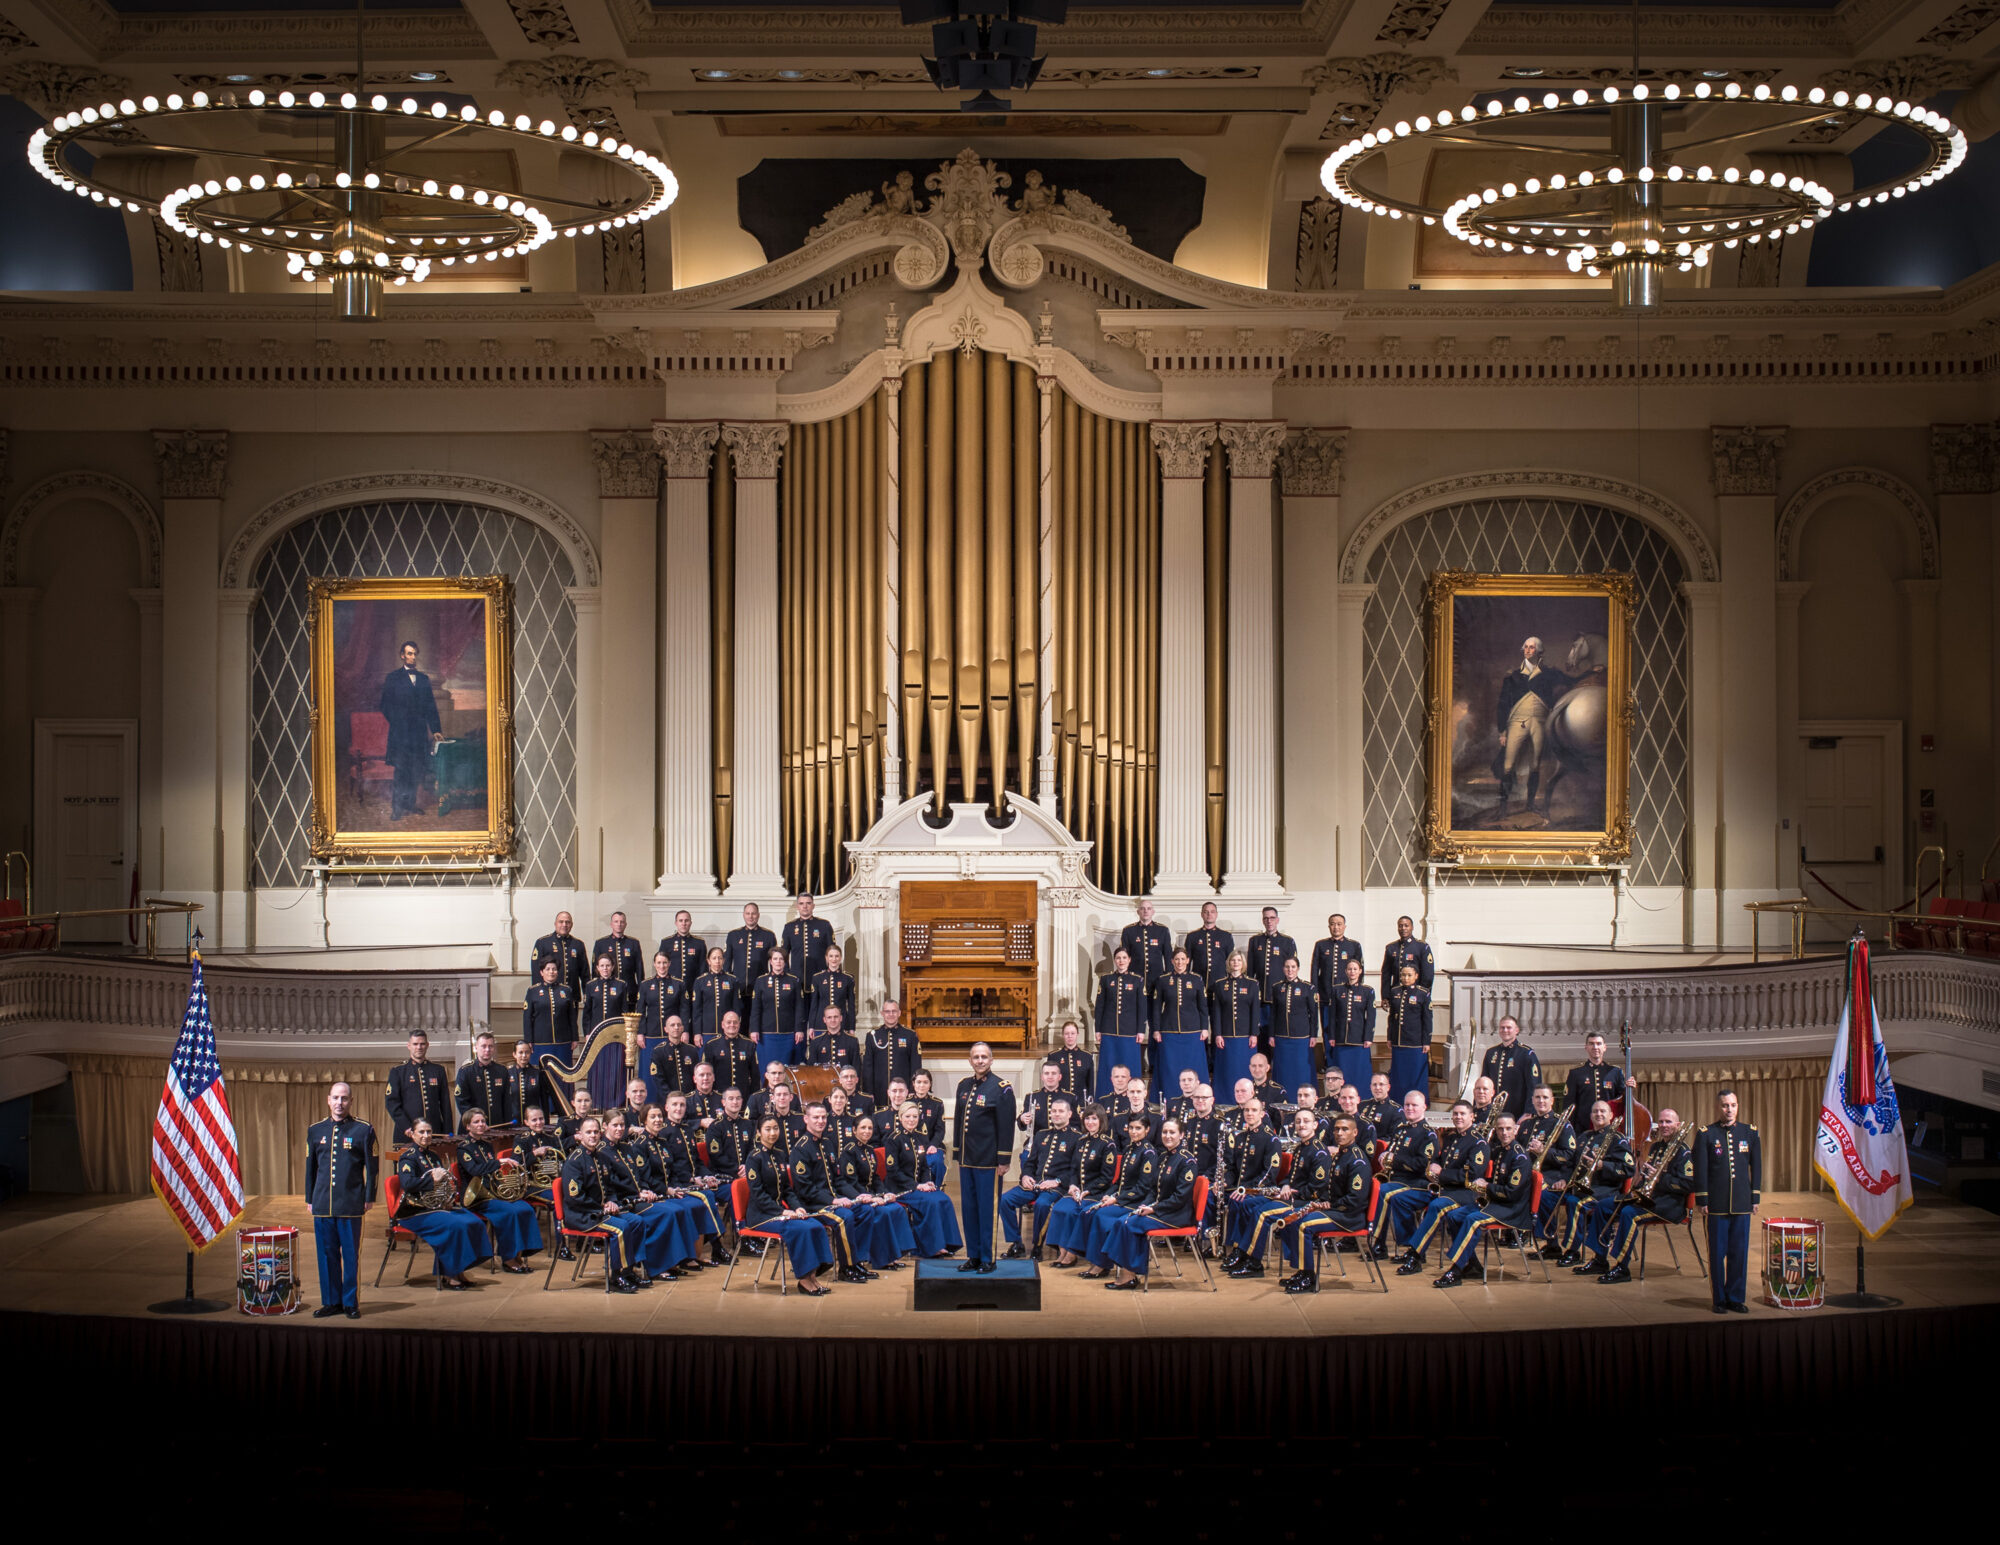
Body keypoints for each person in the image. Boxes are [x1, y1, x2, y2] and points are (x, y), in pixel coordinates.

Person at [1083, 1116, 1196, 1290]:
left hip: (1176, 1214)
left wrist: (1153, 1208)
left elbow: (1180, 1197)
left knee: (1127, 1223)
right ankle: (1125, 1273)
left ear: (1181, 1135)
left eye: (1172, 1132)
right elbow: (1153, 1190)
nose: (1167, 1136)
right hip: (1159, 1209)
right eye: (1165, 1132)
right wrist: (1147, 1205)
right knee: (1124, 1221)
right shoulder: (1165, 1156)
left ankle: (1128, 1276)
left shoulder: (1187, 1160)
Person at [1426, 1111, 1532, 1288]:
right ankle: (1471, 1264)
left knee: (1472, 1220)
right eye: (1500, 1129)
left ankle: (1456, 1270)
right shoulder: (1499, 1151)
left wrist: (1487, 1187)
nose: (1504, 1133)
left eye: (1508, 1129)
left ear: (1516, 1130)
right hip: (1496, 1202)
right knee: (1454, 1215)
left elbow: (1512, 1193)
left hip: (1512, 1209)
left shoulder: (1520, 1157)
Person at [1597, 1106, 1695, 1285]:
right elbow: (1647, 1177)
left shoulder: (1684, 1152)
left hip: (1669, 1205)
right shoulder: (1657, 1147)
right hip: (1650, 1199)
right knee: (1603, 1205)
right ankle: (1599, 1259)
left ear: (1678, 1125)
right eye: (1662, 1122)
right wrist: (1642, 1182)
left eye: (1669, 1122)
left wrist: (1660, 1178)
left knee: (1629, 1214)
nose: (1664, 1125)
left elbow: (1687, 1184)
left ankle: (1621, 1267)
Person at [1393, 1098, 1490, 1277]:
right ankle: (1471, 1263)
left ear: (1472, 1117)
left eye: (1463, 1114)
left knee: (1437, 1206)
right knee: (1400, 1198)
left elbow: (1472, 1176)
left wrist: (1442, 1173)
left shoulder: (1479, 1143)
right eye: (1455, 1114)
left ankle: (1415, 1255)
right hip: (1443, 1189)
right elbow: (1439, 1160)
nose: (1458, 1117)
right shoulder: (1451, 1137)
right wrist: (1432, 1167)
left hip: (1465, 1193)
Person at [1278, 1114, 1375, 1293]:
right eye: (1336, 1129)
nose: (1339, 1133)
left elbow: (1356, 1199)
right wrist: (1322, 1202)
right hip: (1336, 1210)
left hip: (1349, 1216)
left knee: (1304, 1225)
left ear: (1355, 1133)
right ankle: (1301, 1270)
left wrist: (1330, 1205)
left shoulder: (1357, 1160)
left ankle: (1308, 1276)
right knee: (1291, 1218)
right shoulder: (1340, 1155)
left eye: (1345, 1129)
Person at [306, 1081, 377, 1319]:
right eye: (335, 1098)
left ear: (351, 1101)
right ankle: (331, 1302)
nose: (339, 1103)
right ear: (328, 1100)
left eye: (344, 1098)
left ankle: (350, 1303)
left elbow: (372, 1167)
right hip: (323, 1203)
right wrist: (309, 1198)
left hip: (351, 1203)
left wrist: (369, 1197)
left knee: (349, 1255)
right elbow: (310, 1169)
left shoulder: (363, 1129)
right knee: (327, 1256)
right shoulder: (315, 1130)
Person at [742, 1115, 835, 1295]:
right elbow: (758, 1194)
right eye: (767, 1129)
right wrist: (782, 1211)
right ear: (759, 1132)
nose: (772, 1133)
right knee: (799, 1229)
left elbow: (786, 1189)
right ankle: (804, 1279)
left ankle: (813, 1275)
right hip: (762, 1215)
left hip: (781, 1212)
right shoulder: (754, 1158)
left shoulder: (779, 1154)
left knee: (814, 1224)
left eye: (775, 1128)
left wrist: (797, 1207)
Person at [393, 1119, 492, 1289]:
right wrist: (432, 1179)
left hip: (435, 1207)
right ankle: (451, 1274)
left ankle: (460, 1270)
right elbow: (408, 1184)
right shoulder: (408, 1157)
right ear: (412, 1134)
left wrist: (448, 1199)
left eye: (429, 1132)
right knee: (455, 1226)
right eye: (421, 1132)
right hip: (414, 1211)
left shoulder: (433, 1156)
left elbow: (445, 1183)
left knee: (474, 1221)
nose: (426, 1136)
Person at [560, 1115, 649, 1295]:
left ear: (600, 1133)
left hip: (601, 1210)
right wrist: (600, 1208)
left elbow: (608, 1187)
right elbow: (574, 1198)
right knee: (621, 1227)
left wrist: (611, 1201)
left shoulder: (601, 1157)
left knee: (637, 1221)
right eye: (588, 1132)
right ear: (580, 1135)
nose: (593, 1135)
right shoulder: (574, 1162)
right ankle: (617, 1276)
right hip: (583, 1215)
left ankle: (629, 1270)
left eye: (595, 1132)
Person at [1232, 1109, 1327, 1276]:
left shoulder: (1319, 1151)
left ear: (1315, 1125)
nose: (1301, 1125)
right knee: (1247, 1203)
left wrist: (1291, 1193)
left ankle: (1254, 1263)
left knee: (1262, 1213)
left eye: (1306, 1121)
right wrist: (1284, 1185)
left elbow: (1317, 1189)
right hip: (1289, 1196)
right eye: (1298, 1121)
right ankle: (1241, 1251)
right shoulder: (1300, 1148)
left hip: (1305, 1201)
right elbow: (1290, 1177)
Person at [1693, 1090, 1761, 1314]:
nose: (1729, 1109)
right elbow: (1700, 1170)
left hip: (1741, 1203)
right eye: (1724, 1105)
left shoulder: (1749, 1132)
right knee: (1717, 1253)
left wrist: (1755, 1197)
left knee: (1739, 1253)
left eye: (1732, 1105)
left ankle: (1736, 1297)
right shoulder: (1706, 1134)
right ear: (1718, 1107)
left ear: (1738, 1106)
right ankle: (1719, 1299)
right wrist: (1702, 1199)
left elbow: (1756, 1167)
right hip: (1716, 1205)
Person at [787, 1103, 871, 1283]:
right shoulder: (800, 1148)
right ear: (806, 1119)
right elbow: (805, 1189)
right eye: (816, 1117)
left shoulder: (827, 1143)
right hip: (813, 1204)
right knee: (844, 1217)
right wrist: (834, 1201)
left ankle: (858, 1261)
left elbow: (839, 1179)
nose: (820, 1121)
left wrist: (856, 1196)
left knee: (866, 1210)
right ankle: (846, 1268)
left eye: (823, 1117)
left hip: (833, 1199)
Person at [952, 1042, 1016, 1273]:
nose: (980, 1060)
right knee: (969, 1210)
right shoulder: (964, 1085)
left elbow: (1006, 1126)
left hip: (989, 1161)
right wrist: (957, 1152)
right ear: (970, 1060)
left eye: (984, 1057)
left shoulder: (1001, 1088)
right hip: (967, 1160)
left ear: (991, 1060)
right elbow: (959, 1121)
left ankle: (988, 1258)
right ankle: (974, 1256)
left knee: (987, 1211)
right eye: (976, 1057)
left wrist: (1004, 1159)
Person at [1548, 1100, 1633, 1270]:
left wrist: (1602, 1165)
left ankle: (1573, 1251)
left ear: (1611, 1115)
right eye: (1595, 1111)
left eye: (1603, 1111)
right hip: (1580, 1187)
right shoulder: (1584, 1137)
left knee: (1574, 1202)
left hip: (1604, 1190)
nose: (1598, 1114)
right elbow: (1570, 1164)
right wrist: (1564, 1178)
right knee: (1547, 1196)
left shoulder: (1618, 1139)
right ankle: (1550, 1244)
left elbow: (1628, 1169)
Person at [456, 1108, 541, 1273]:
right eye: (476, 1122)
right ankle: (508, 1258)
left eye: (482, 1121)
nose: (481, 1125)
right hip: (475, 1198)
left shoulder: (487, 1145)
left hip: (492, 1192)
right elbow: (475, 1170)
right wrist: (499, 1162)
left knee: (525, 1208)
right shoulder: (463, 1148)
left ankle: (520, 1252)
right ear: (467, 1126)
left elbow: (492, 1172)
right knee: (509, 1212)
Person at [1496, 635, 1572, 815]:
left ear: (1539, 651)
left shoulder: (1549, 673)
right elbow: (1503, 704)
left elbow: (1570, 681)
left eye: (1532, 647)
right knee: (1508, 765)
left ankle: (1530, 804)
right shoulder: (1513, 676)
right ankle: (1502, 808)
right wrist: (1502, 731)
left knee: (1535, 764)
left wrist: (1593, 672)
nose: (1528, 650)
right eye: (1526, 647)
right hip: (1516, 722)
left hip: (1540, 722)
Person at [833, 1112, 919, 1269]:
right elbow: (850, 1181)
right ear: (854, 1130)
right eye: (863, 1128)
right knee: (884, 1213)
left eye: (870, 1128)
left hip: (872, 1196)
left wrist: (884, 1193)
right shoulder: (849, 1151)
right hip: (856, 1197)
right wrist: (873, 1197)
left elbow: (876, 1178)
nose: (867, 1131)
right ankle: (882, 1259)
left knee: (897, 1209)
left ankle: (896, 1253)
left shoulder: (870, 1150)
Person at [1002, 1095, 1081, 1259]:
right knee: (1005, 1200)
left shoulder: (1076, 1138)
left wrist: (1057, 1181)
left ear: (1069, 1114)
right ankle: (1016, 1243)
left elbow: (1076, 1170)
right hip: (1034, 1185)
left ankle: (1037, 1246)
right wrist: (1025, 1176)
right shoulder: (1041, 1135)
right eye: (1054, 1111)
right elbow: (1030, 1162)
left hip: (1057, 1187)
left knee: (1042, 1205)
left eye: (1061, 1111)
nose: (1057, 1114)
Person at [884, 1103, 964, 1258]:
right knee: (931, 1202)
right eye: (907, 1116)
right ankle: (931, 1246)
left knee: (943, 1198)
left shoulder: (921, 1137)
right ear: (900, 1118)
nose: (911, 1120)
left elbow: (925, 1167)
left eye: (915, 1116)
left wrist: (927, 1181)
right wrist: (917, 1185)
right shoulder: (892, 1140)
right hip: (901, 1188)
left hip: (919, 1187)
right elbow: (892, 1172)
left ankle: (948, 1243)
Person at [1044, 1106, 1119, 1268]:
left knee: (1074, 1212)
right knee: (1059, 1208)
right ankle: (1062, 1251)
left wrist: (1087, 1190)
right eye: (1087, 1118)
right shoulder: (1081, 1140)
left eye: (1094, 1119)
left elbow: (1106, 1178)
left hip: (1096, 1192)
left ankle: (1072, 1254)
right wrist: (1072, 1185)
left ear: (1101, 1121)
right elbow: (1073, 1169)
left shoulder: (1108, 1144)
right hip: (1077, 1191)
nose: (1090, 1122)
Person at [378, 639, 443, 819]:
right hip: (400, 735)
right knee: (401, 771)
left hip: (418, 734)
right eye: (409, 653)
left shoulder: (423, 679)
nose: (412, 657)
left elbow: (430, 706)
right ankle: (397, 809)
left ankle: (410, 805)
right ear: (402, 655)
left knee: (415, 771)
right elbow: (384, 705)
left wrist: (436, 729)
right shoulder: (392, 678)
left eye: (415, 654)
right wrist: (398, 721)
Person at [1370, 1092, 1440, 1257]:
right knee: (1375, 1187)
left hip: (1416, 1182)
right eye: (1407, 1105)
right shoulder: (1401, 1129)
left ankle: (1378, 1243)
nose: (1409, 1108)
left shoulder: (1428, 1134)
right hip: (1397, 1180)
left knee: (1384, 1192)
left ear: (1424, 1107)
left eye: (1414, 1105)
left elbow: (1422, 1165)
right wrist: (1384, 1155)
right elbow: (1392, 1152)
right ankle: (1393, 1243)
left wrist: (1395, 1160)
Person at [1218, 1097, 1283, 1274]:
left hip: (1263, 1191)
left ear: (1262, 1114)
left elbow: (1270, 1173)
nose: (1249, 1114)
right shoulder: (1240, 1137)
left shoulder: (1271, 1139)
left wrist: (1248, 1190)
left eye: (1254, 1110)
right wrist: (1225, 1182)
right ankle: (1233, 1248)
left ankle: (1244, 1252)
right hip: (1242, 1189)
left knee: (1243, 1202)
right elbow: (1232, 1169)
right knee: (1227, 1198)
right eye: (1247, 1110)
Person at [1151, 947, 1211, 1097]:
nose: (1180, 962)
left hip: (1192, 1032)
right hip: (1169, 1032)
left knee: (1194, 1066)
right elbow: (1156, 1007)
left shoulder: (1196, 979)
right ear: (1172, 961)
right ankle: (1169, 1097)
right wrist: (1156, 1029)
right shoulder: (1163, 980)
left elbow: (1203, 1006)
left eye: (1183, 959)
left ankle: (1198, 1096)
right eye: (1177, 959)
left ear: (1188, 961)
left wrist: (1204, 1028)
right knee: (1169, 1068)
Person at [579, 953, 635, 1110]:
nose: (605, 968)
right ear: (597, 968)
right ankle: (596, 1102)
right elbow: (587, 1013)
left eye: (608, 965)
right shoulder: (591, 986)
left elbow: (625, 1011)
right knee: (597, 1070)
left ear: (613, 967)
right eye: (602, 966)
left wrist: (625, 1033)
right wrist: (587, 1032)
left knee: (616, 1070)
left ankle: (616, 1102)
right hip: (596, 1037)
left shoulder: (621, 985)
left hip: (616, 1036)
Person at [1093, 949, 1148, 1095]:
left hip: (1130, 1032)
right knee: (1108, 1067)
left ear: (1129, 960)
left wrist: (1141, 1030)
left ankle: (1133, 1096)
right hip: (1108, 1031)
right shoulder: (1106, 979)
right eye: (1118, 958)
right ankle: (1104, 1097)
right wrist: (1097, 1029)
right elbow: (1100, 1006)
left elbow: (1142, 1008)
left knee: (1130, 1066)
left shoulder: (1137, 980)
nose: (1121, 961)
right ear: (1114, 960)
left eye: (1124, 957)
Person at [1267, 955, 1320, 1098]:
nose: (1290, 970)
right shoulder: (1277, 987)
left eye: (1293, 967)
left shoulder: (1308, 987)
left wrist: (1314, 1034)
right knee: (1283, 1070)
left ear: (1298, 969)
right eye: (1287, 967)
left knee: (1301, 1070)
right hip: (1282, 1037)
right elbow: (1273, 1014)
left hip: (1301, 1038)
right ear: (1283, 969)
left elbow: (1313, 1014)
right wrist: (1271, 1034)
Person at [385, 1029, 451, 1143]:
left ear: (427, 1045)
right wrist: (407, 1126)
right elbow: (392, 1103)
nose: (419, 1047)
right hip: (407, 1134)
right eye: (415, 1044)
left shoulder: (438, 1070)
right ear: (409, 1046)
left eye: (422, 1044)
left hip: (434, 1133)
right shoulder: (398, 1071)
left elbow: (445, 1105)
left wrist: (448, 1132)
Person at [1209, 950, 1260, 1093]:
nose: (1235, 963)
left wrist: (1254, 1034)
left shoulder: (1252, 984)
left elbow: (1255, 1011)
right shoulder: (1219, 984)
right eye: (1233, 960)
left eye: (1238, 960)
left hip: (1245, 1037)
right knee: (1226, 1069)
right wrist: (1217, 1034)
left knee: (1244, 1069)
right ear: (1228, 963)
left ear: (1243, 963)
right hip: (1225, 1036)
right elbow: (1216, 1012)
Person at [1245, 907, 1296, 1046]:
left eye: (1272, 918)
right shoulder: (1255, 941)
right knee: (1261, 1032)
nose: (1269, 921)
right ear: (1263, 920)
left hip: (1279, 995)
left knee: (1278, 1032)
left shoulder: (1287, 941)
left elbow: (1292, 968)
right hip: (1260, 996)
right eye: (1266, 918)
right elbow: (1250, 970)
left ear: (1277, 920)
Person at [1325, 956, 1376, 1094]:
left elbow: (1370, 1017)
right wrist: (1332, 1036)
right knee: (1342, 1072)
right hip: (1341, 1039)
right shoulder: (1337, 990)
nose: (1352, 972)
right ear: (1346, 971)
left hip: (1359, 1040)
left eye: (1355, 969)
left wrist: (1368, 1037)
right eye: (1349, 969)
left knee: (1360, 1073)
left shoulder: (1367, 991)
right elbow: (1332, 1015)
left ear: (1360, 971)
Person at [1383, 962, 1431, 1104]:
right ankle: (1397, 1101)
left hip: (1416, 1043)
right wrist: (1390, 1037)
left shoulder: (1422, 993)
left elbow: (1427, 1019)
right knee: (1399, 1075)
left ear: (1416, 976)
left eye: (1409, 975)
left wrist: (1426, 1041)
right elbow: (1392, 1018)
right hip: (1399, 1041)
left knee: (1415, 1075)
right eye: (1403, 975)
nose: (1405, 978)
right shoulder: (1395, 991)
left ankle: (1418, 1102)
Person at [1479, 1016, 1542, 1123]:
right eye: (1502, 1028)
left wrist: (1528, 1113)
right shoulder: (1491, 1053)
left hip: (1518, 1113)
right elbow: (1483, 1084)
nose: (1505, 1030)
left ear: (1516, 1030)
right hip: (1493, 1115)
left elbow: (1534, 1086)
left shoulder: (1526, 1054)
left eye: (1509, 1028)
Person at [748, 948, 805, 1063]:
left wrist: (799, 1029)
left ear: (785, 962)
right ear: (770, 961)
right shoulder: (761, 981)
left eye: (781, 959)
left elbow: (799, 1007)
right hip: (766, 1034)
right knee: (767, 1067)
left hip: (788, 1033)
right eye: (775, 959)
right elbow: (755, 1009)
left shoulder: (794, 981)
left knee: (787, 1069)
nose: (778, 961)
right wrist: (754, 1029)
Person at [522, 958, 577, 1076]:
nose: (551, 972)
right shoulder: (533, 991)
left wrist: (574, 1037)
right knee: (541, 1076)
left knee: (563, 1075)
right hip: (540, 1042)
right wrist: (528, 1040)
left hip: (563, 1042)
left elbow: (572, 1016)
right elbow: (527, 1018)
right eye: (548, 969)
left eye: (554, 969)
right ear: (542, 972)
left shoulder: (566, 990)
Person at [862, 999, 922, 1101]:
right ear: (882, 1013)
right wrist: (868, 1092)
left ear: (899, 1013)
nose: (891, 1014)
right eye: (887, 1011)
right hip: (879, 1093)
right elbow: (867, 1068)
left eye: (894, 1011)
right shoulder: (872, 1036)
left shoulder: (910, 1035)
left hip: (903, 1093)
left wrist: (913, 1090)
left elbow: (916, 1066)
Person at [687, 947, 744, 1049]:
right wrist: (697, 1033)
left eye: (720, 958)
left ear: (724, 960)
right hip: (707, 1030)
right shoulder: (700, 981)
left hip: (727, 1031)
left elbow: (737, 1008)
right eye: (714, 958)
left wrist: (735, 1028)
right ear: (708, 961)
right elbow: (696, 1011)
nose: (717, 961)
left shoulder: (733, 980)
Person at [1311, 914, 1364, 1021]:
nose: (1336, 927)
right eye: (1332, 924)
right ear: (1329, 927)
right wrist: (1315, 990)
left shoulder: (1353, 945)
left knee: (1343, 1026)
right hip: (1325, 993)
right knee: (1327, 1026)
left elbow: (1360, 970)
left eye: (1339, 924)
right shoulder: (1321, 945)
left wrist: (1358, 989)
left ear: (1344, 926)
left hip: (1346, 993)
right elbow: (1315, 969)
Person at [454, 1030, 511, 1128]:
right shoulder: (465, 1071)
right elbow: (462, 1101)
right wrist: (475, 1122)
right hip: (472, 1127)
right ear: (476, 1047)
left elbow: (506, 1101)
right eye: (483, 1046)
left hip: (498, 1126)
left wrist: (507, 1125)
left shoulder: (502, 1071)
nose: (487, 1049)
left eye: (490, 1046)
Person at [724, 903, 778, 1006]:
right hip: (738, 986)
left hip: (760, 986)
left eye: (753, 913)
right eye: (748, 913)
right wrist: (729, 982)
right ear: (743, 915)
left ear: (758, 915)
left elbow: (774, 962)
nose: (750, 916)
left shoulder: (768, 936)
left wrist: (771, 983)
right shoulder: (733, 935)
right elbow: (727, 961)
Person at [1563, 1032, 1627, 1119]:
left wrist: (1629, 1088)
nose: (1595, 1047)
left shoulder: (1615, 1072)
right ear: (1586, 1047)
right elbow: (1569, 1105)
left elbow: (1622, 1102)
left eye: (1598, 1044)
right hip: (1583, 1128)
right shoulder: (1576, 1073)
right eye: (1591, 1044)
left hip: (1609, 1127)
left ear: (1604, 1047)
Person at [637, 951, 689, 1056]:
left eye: (664, 963)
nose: (662, 966)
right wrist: (640, 1033)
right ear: (654, 964)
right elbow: (640, 1011)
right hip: (651, 1033)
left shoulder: (679, 984)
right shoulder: (645, 985)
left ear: (669, 963)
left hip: (673, 1033)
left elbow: (684, 1010)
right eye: (659, 963)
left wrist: (685, 1031)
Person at [530, 911, 588, 1005]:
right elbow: (536, 970)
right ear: (555, 924)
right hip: (549, 996)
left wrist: (587, 992)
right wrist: (538, 994)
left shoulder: (578, 944)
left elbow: (584, 972)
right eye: (561, 922)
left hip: (571, 996)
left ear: (571, 925)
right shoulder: (543, 943)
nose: (564, 925)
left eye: (567, 922)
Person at [1121, 899, 1174, 992]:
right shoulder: (1128, 931)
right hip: (1135, 977)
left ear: (1153, 912)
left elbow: (1168, 955)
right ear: (1138, 912)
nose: (1145, 911)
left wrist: (1168, 977)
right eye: (1142, 908)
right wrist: (1126, 976)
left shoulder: (1162, 930)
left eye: (1149, 908)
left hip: (1156, 978)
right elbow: (1125, 956)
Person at [805, 944, 857, 1041]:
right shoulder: (817, 978)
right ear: (826, 958)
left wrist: (852, 1028)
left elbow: (851, 1006)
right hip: (820, 1024)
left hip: (842, 1024)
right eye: (831, 956)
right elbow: (814, 1004)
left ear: (841, 958)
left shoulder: (848, 978)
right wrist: (811, 1026)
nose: (834, 959)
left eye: (837, 956)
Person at [702, 1011, 760, 1098]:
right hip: (719, 1096)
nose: (732, 1025)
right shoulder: (712, 1045)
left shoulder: (749, 1044)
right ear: (722, 1024)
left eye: (735, 1022)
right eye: (728, 1022)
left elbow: (755, 1075)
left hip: (742, 1096)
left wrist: (754, 1097)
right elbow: (706, 1072)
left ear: (739, 1024)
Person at [781, 892, 835, 980]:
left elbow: (832, 951)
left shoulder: (824, 925)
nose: (805, 906)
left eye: (808, 903)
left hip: (820, 976)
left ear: (813, 906)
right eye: (801, 904)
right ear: (797, 906)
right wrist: (787, 974)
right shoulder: (789, 927)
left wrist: (829, 972)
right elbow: (784, 954)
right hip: (797, 977)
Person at [502, 1037, 553, 1131]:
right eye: (520, 1052)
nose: (524, 1055)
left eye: (527, 1052)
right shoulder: (507, 1073)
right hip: (514, 1123)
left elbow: (544, 1101)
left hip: (533, 1124)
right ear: (514, 1054)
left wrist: (546, 1123)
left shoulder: (537, 1073)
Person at [1379, 915, 1434, 1001]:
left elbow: (1428, 975)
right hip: (1396, 994)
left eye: (1406, 925)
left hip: (1415, 995)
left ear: (1412, 927)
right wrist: (1385, 996)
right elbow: (1386, 974)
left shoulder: (1422, 947)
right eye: (1400, 926)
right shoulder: (1391, 948)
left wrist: (1423, 994)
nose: (1403, 928)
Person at [910, 1069, 949, 1187]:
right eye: (919, 1082)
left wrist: (933, 1145)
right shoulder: (906, 1102)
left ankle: (935, 1189)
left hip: (932, 1146)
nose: (922, 1085)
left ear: (930, 1084)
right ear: (913, 1083)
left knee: (937, 1162)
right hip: (911, 1146)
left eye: (925, 1082)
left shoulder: (937, 1104)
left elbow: (940, 1129)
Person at [647, 1015, 701, 1097]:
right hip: (668, 1099)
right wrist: (670, 1097)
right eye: (672, 1025)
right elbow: (658, 1079)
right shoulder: (658, 1051)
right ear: (666, 1029)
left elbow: (696, 1075)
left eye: (679, 1025)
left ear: (683, 1028)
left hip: (690, 1098)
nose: (676, 1027)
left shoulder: (691, 1050)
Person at [1184, 900, 1234, 989]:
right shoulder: (1192, 936)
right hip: (1198, 982)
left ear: (1216, 914)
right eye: (1206, 912)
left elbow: (1231, 961)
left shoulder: (1226, 936)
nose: (1209, 914)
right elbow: (1186, 962)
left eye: (1212, 912)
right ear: (1202, 914)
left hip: (1220, 982)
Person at [593, 912, 644, 992]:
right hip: (607, 989)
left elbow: (639, 968)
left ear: (625, 924)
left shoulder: (633, 943)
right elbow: (595, 969)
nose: (619, 924)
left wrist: (641, 989)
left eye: (622, 922)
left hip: (629, 988)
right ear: (611, 924)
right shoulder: (601, 943)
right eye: (616, 921)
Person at [657, 910, 707, 992]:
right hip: (671, 987)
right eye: (680, 921)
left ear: (690, 923)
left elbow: (703, 967)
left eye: (686, 920)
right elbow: (660, 966)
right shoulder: (666, 942)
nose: (684, 923)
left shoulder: (699, 943)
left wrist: (700, 986)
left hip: (692, 987)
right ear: (676, 923)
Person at [802, 1004, 861, 1070]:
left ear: (841, 1018)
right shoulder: (816, 1042)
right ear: (824, 1020)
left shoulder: (852, 1041)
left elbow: (856, 1069)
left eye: (836, 1017)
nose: (833, 1020)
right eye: (829, 1017)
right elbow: (811, 1069)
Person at [1016, 1060, 1068, 1136]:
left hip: (1063, 1142)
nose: (1050, 1076)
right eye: (1046, 1073)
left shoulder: (1070, 1097)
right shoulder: (1032, 1096)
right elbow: (1022, 1125)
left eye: (1053, 1073)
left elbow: (1076, 1125)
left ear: (1059, 1077)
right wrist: (1023, 1119)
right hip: (1038, 1142)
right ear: (1042, 1077)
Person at [1048, 1020, 1093, 1101]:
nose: (1070, 1036)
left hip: (1081, 1103)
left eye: (1073, 1033)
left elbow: (1090, 1084)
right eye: (1067, 1033)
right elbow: (1050, 1082)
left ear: (1077, 1034)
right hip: (1060, 1102)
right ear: (1063, 1035)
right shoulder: (1054, 1056)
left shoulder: (1087, 1056)